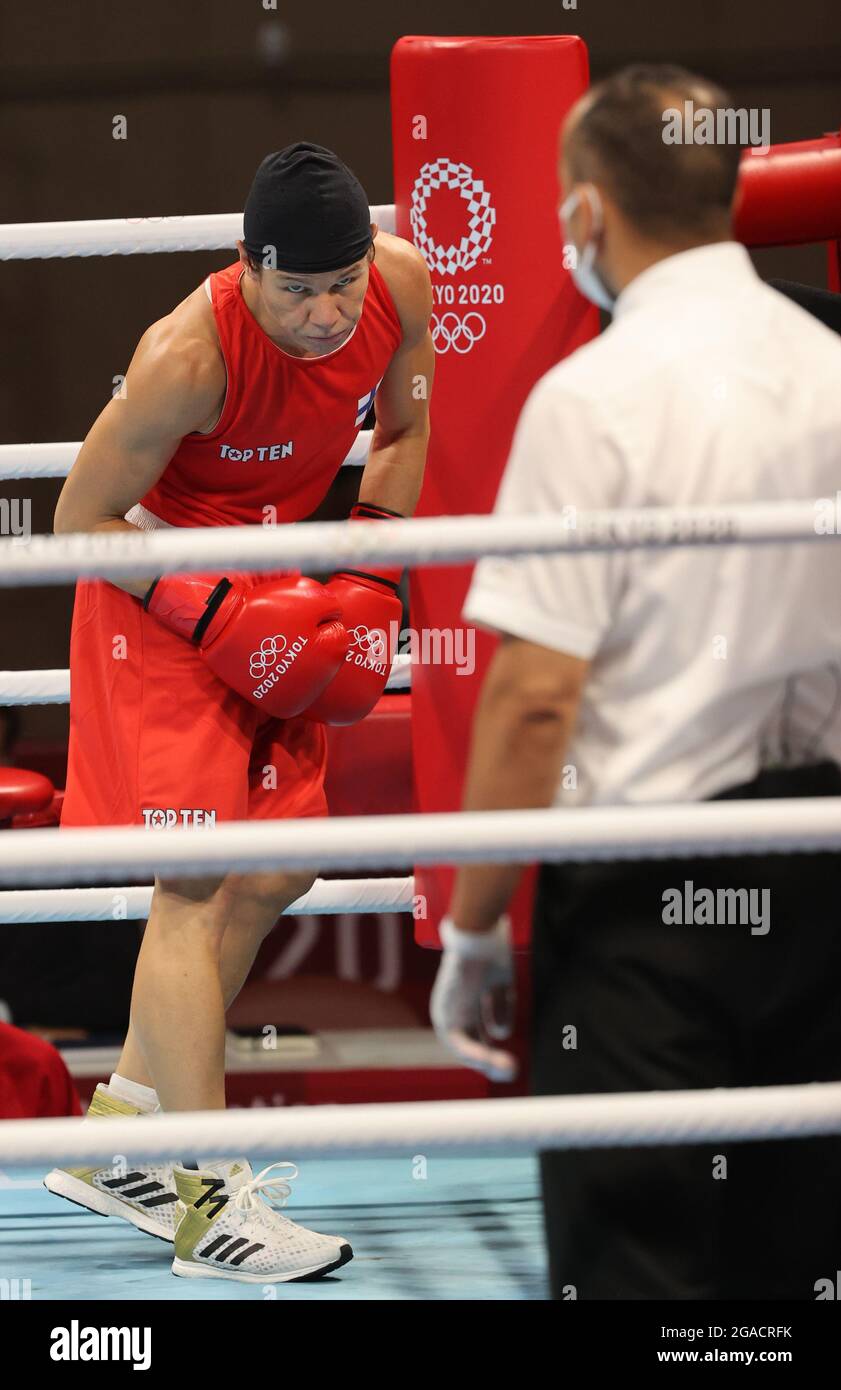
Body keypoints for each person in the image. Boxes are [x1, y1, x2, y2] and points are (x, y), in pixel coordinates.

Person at [430, 65, 841, 1299]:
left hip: (646, 903)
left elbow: (533, 697)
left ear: (587, 210)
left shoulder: (593, 395)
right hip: (819, 878)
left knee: (639, 1272)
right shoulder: (832, 369)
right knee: (790, 1264)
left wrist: (469, 925)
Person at [47, 142, 433, 1283]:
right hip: (150, 583)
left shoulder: (401, 284)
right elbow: (77, 518)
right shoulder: (183, 356)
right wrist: (202, 604)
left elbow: (404, 433)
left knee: (273, 872)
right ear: (246, 269)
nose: (324, 316)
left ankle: (123, 1132)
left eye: (339, 287)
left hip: (282, 575)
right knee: (198, 878)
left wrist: (369, 571)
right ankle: (203, 1201)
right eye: (296, 291)